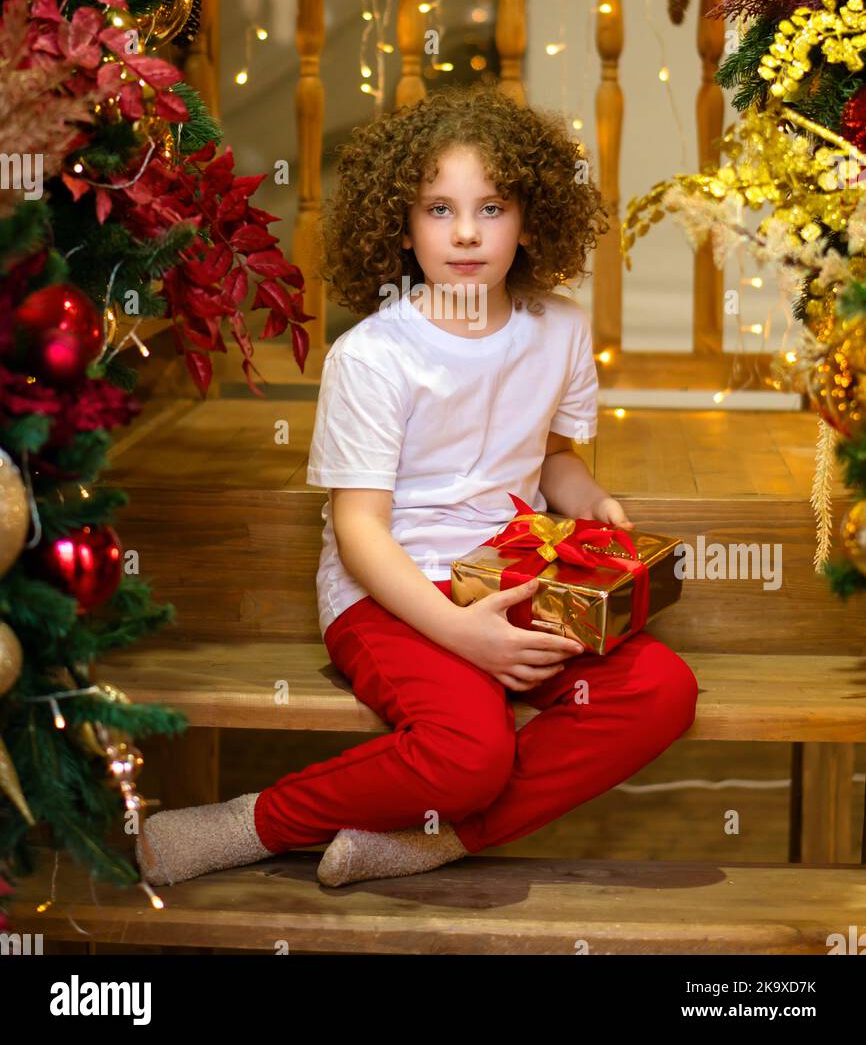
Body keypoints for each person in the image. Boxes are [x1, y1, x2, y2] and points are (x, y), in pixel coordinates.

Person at [135, 85, 699, 890]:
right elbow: (361, 531)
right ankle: (252, 822)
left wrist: (590, 502)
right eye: (439, 209)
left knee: (661, 690)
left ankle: (442, 838)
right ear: (401, 226)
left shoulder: (563, 330)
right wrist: (465, 635)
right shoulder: (373, 356)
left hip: (510, 575)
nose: (466, 233)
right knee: (471, 754)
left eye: (492, 207)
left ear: (531, 220)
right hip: (390, 591)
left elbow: (553, 458)